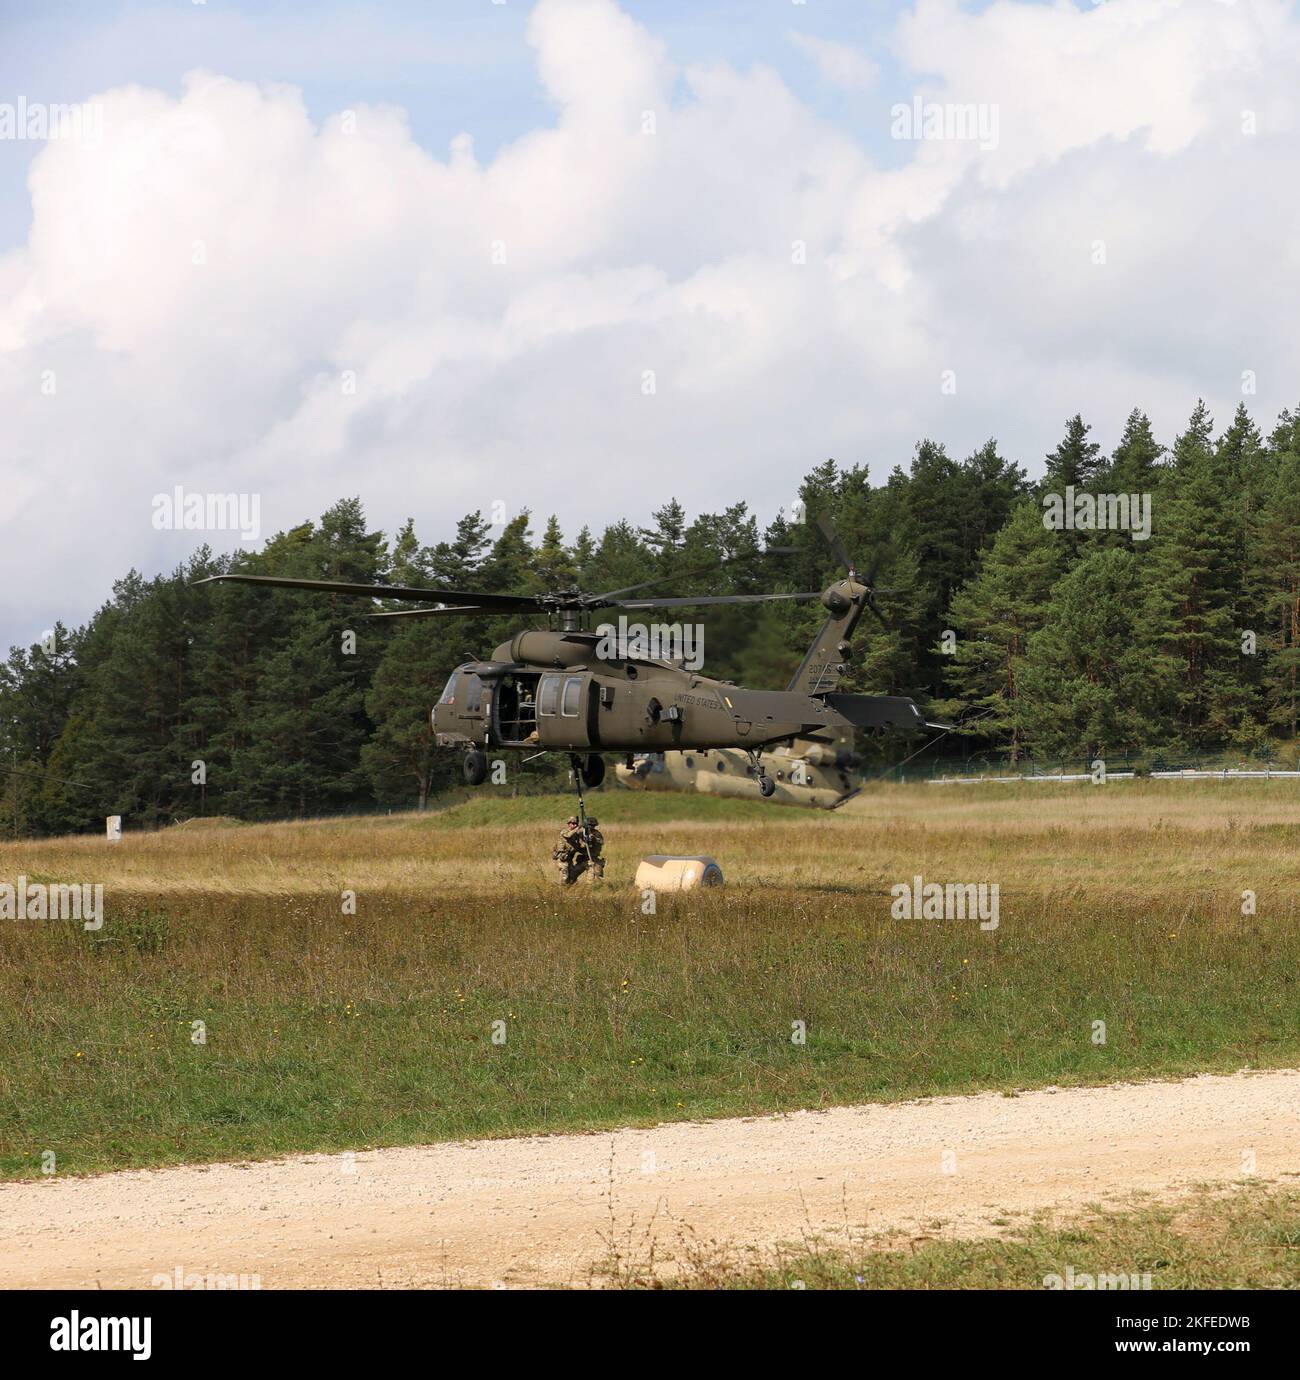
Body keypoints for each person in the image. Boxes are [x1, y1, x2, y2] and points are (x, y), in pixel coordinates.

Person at [553, 813, 605, 885]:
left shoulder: (596, 834)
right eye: (572, 823)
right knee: (567, 879)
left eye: (575, 824)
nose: (574, 825)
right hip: (564, 859)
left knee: (592, 881)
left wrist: (591, 839)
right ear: (568, 824)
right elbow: (568, 836)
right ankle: (563, 891)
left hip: (591, 860)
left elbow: (600, 842)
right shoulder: (566, 831)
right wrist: (580, 828)